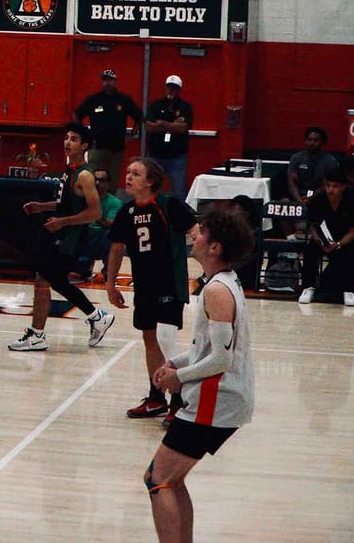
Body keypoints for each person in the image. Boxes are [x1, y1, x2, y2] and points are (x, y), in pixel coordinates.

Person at [144, 205, 256, 543]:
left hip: (216, 400)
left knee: (157, 478)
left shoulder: (217, 291)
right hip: (221, 398)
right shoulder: (221, 283)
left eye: (202, 231)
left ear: (215, 246)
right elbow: (205, 349)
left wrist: (179, 378)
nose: (194, 234)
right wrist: (175, 363)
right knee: (170, 480)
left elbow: (220, 359)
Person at [106, 158, 198, 425]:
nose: (129, 176)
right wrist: (110, 284)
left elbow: (196, 232)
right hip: (143, 284)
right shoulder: (126, 212)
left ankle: (178, 401)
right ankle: (156, 397)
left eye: (136, 173)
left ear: (150, 181)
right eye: (127, 172)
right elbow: (115, 248)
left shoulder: (169, 205)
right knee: (149, 337)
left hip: (169, 282)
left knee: (166, 338)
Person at [9, 123, 116, 352]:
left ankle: (37, 335)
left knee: (42, 280)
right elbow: (66, 204)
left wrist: (62, 222)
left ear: (84, 145)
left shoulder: (85, 175)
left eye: (74, 139)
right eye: (66, 138)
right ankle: (97, 316)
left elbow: (95, 212)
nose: (67, 142)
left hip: (70, 239)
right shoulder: (69, 171)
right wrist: (42, 207)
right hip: (60, 235)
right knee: (56, 282)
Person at [298, 168, 354, 306]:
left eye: (335, 186)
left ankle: (349, 290)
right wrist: (321, 243)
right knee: (310, 251)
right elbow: (312, 226)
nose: (331, 190)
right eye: (328, 185)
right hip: (322, 238)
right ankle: (308, 287)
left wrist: (338, 244)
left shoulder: (351, 201)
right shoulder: (318, 200)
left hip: (344, 239)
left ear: (343, 187)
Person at [73, 69, 142, 182]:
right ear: (102, 82)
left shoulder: (124, 100)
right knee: (92, 180)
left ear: (115, 82)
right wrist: (85, 134)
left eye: (111, 80)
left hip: (117, 149)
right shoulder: (94, 99)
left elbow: (139, 117)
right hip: (97, 148)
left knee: (112, 183)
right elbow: (76, 115)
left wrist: (131, 135)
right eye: (105, 80)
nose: (108, 83)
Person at [145, 75, 194, 196]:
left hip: (177, 157)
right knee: (149, 189)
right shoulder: (155, 105)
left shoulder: (185, 107)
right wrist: (173, 125)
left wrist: (161, 123)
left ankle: (179, 214)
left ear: (179, 90)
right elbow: (149, 127)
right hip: (155, 155)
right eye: (169, 87)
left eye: (174, 88)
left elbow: (183, 128)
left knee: (179, 192)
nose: (171, 90)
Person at [80, 167, 122, 283]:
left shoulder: (115, 203)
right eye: (95, 180)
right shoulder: (81, 198)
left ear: (108, 184)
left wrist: (94, 213)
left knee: (113, 235)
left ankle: (108, 272)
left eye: (101, 180)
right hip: (83, 238)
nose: (97, 183)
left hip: (101, 239)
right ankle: (83, 265)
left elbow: (112, 224)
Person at [288, 126, 338, 204]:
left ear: (322, 142)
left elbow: (329, 185)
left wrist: (312, 197)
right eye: (309, 140)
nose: (312, 143)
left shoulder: (330, 161)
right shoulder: (296, 158)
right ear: (305, 141)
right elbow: (291, 181)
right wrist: (298, 200)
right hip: (299, 196)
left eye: (316, 140)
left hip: (321, 198)